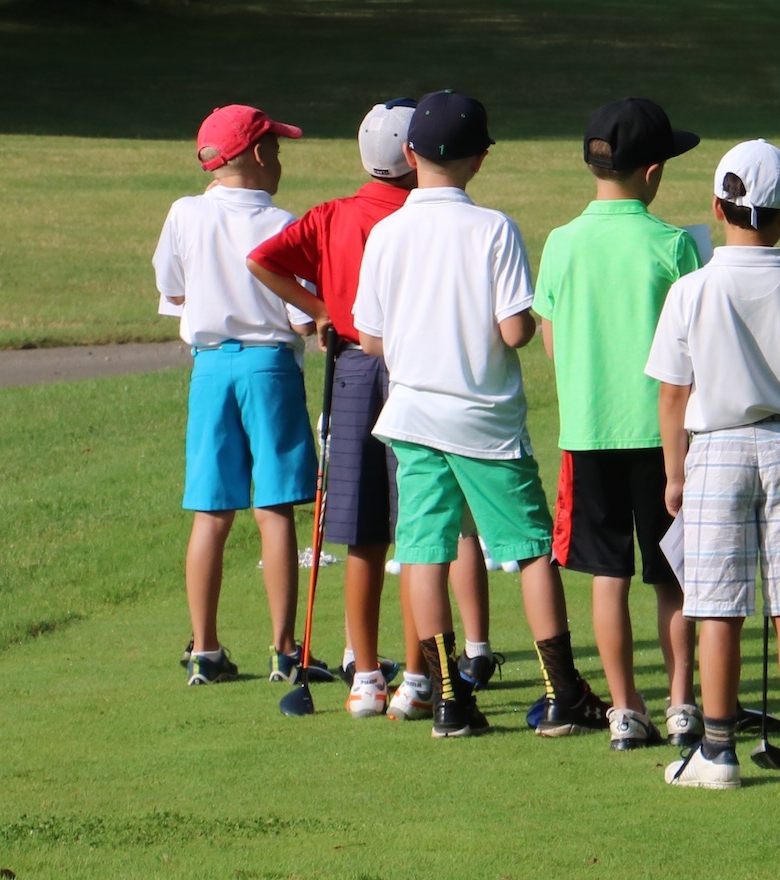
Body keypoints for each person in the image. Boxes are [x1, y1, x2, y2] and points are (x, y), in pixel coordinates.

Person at [353, 90, 607, 739]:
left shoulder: (386, 232)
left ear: (410, 154)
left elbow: (371, 338)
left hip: (412, 417)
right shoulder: (493, 227)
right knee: (530, 550)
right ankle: (562, 692)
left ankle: (448, 700)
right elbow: (515, 329)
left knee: (424, 552)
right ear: (481, 158)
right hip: (484, 421)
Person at [246, 98, 499, 722]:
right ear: (414, 156)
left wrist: (320, 311)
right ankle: (416, 677)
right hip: (415, 369)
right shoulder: (422, 218)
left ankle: (364, 678)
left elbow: (261, 260)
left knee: (363, 534)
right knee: (419, 532)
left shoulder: (332, 214)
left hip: (354, 369)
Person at [650, 140, 780, 788]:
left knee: (717, 604)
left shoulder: (690, 289)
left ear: (717, 206)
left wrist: (674, 474)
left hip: (715, 451)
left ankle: (717, 751)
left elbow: (672, 392)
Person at [534, 98, 706, 752]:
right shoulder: (674, 244)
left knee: (609, 575)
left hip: (587, 433)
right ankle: (682, 701)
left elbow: (551, 341)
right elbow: (698, 343)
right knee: (672, 575)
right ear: (653, 171)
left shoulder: (561, 242)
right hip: (665, 437)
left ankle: (625, 709)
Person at [154, 104, 321, 686]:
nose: (279, 158)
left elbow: (172, 291)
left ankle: (205, 649)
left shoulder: (185, 213)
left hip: (209, 369)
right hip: (269, 368)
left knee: (211, 510)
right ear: (256, 154)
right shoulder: (283, 222)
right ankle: (284, 650)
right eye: (274, 148)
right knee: (274, 507)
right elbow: (303, 319)